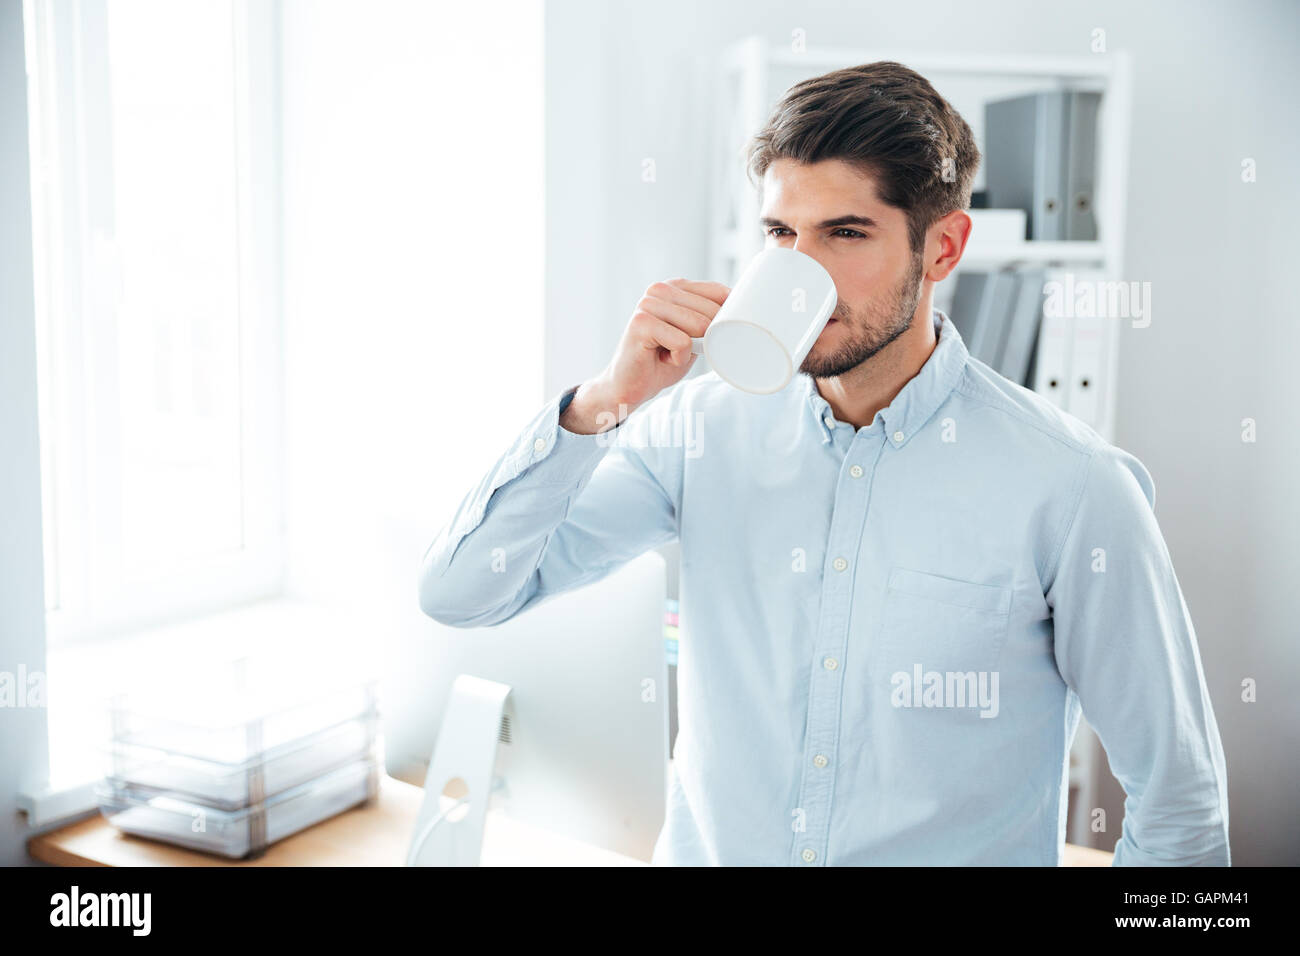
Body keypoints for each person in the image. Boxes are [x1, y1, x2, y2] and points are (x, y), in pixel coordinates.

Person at [418, 61, 1229, 866]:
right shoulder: (696, 433)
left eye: (844, 233)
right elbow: (462, 595)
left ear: (942, 248)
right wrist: (599, 403)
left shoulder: (1076, 487)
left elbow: (1181, 809)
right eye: (781, 234)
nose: (799, 270)